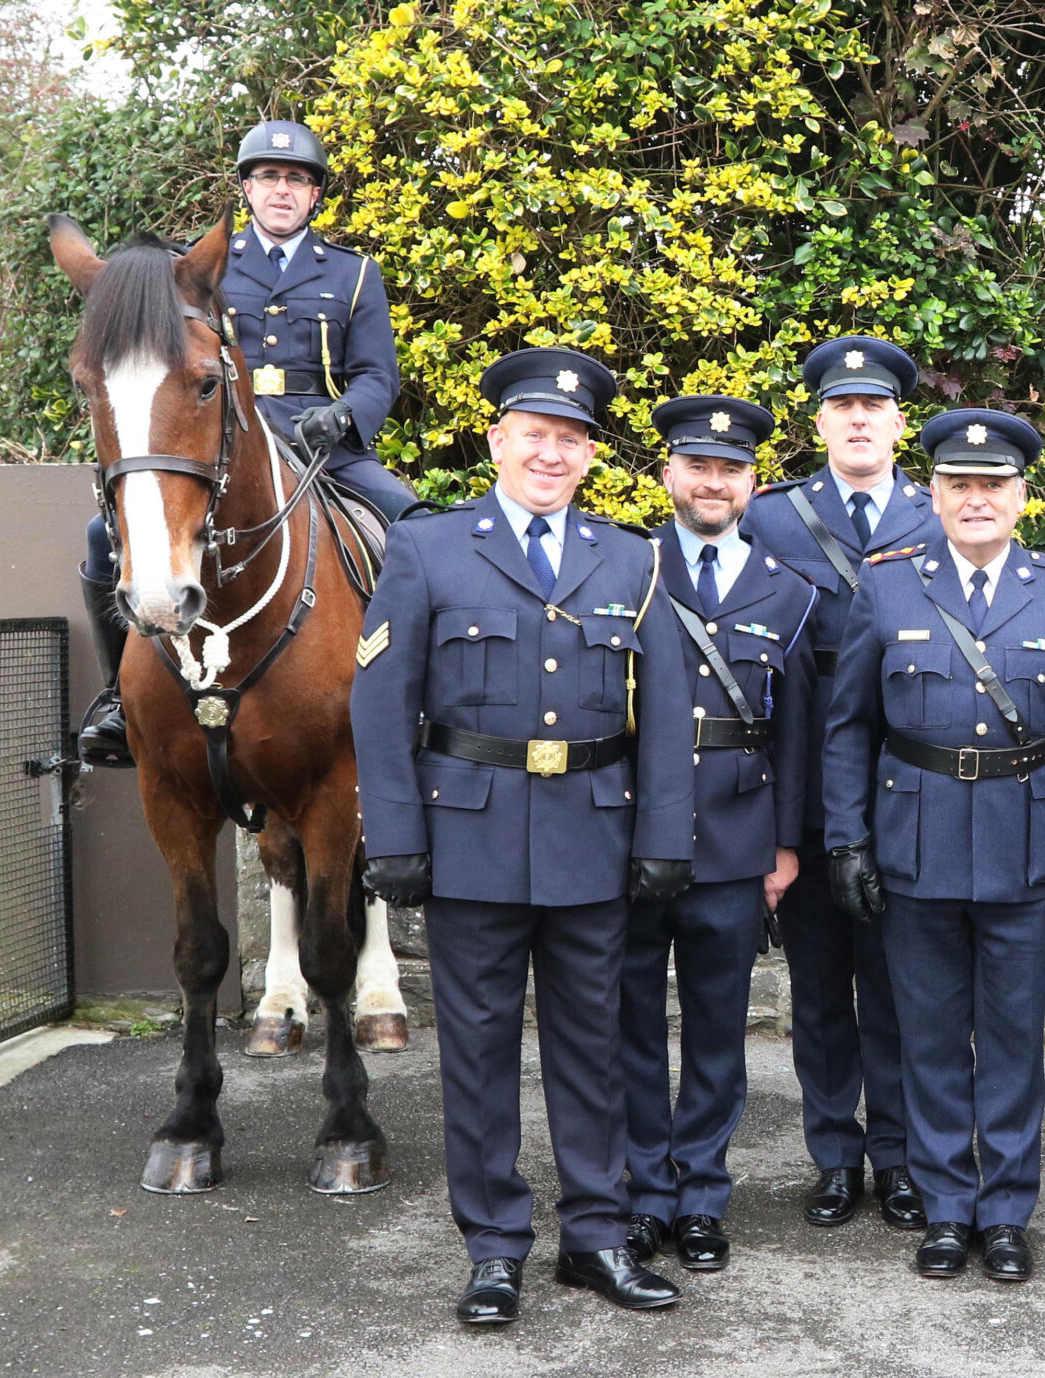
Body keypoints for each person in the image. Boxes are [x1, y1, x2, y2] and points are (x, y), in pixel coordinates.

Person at [350, 347, 697, 1326]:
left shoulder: (630, 557)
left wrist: (662, 835)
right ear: (497, 440)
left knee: (595, 1049)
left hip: (593, 838)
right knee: (479, 1049)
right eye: (536, 435)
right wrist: (396, 836)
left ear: (589, 455)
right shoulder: (428, 549)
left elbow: (665, 711)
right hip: (470, 839)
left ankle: (596, 1234)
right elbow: (381, 701)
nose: (552, 453)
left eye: (572, 440)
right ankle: (495, 1246)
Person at [822, 407, 1045, 1282]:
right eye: (960, 485)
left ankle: (1007, 1212)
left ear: (1022, 497)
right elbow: (848, 728)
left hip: (1021, 845)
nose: (977, 499)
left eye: (994, 485)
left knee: (1013, 1037)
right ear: (937, 495)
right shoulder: (886, 585)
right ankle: (948, 1207)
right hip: (913, 843)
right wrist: (847, 839)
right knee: (930, 1037)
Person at [78, 118, 411, 767]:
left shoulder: (353, 273)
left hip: (324, 450)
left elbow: (378, 374)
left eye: (296, 179)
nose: (281, 190)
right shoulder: (197, 269)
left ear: (314, 195)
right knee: (100, 538)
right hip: (227, 446)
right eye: (268, 177)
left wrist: (342, 417)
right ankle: (119, 697)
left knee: (412, 525)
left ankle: (409, 691)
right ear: (246, 189)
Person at [738, 336, 937, 1231]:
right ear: (819, 421)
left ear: (900, 422)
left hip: (908, 780)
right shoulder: (771, 519)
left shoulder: (944, 516)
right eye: (842, 408)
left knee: (898, 983)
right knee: (818, 984)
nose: (859, 420)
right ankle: (834, 1152)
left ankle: (896, 1154)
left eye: (875, 407)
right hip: (806, 775)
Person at [618, 394, 819, 1273]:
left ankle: (700, 1194)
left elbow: (798, 734)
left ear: (753, 484)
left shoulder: (791, 590)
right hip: (629, 836)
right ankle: (639, 1194)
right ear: (668, 475)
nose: (713, 482)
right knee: (626, 1023)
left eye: (729, 470)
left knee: (715, 1029)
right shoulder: (624, 570)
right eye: (697, 466)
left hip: (738, 843)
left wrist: (785, 846)